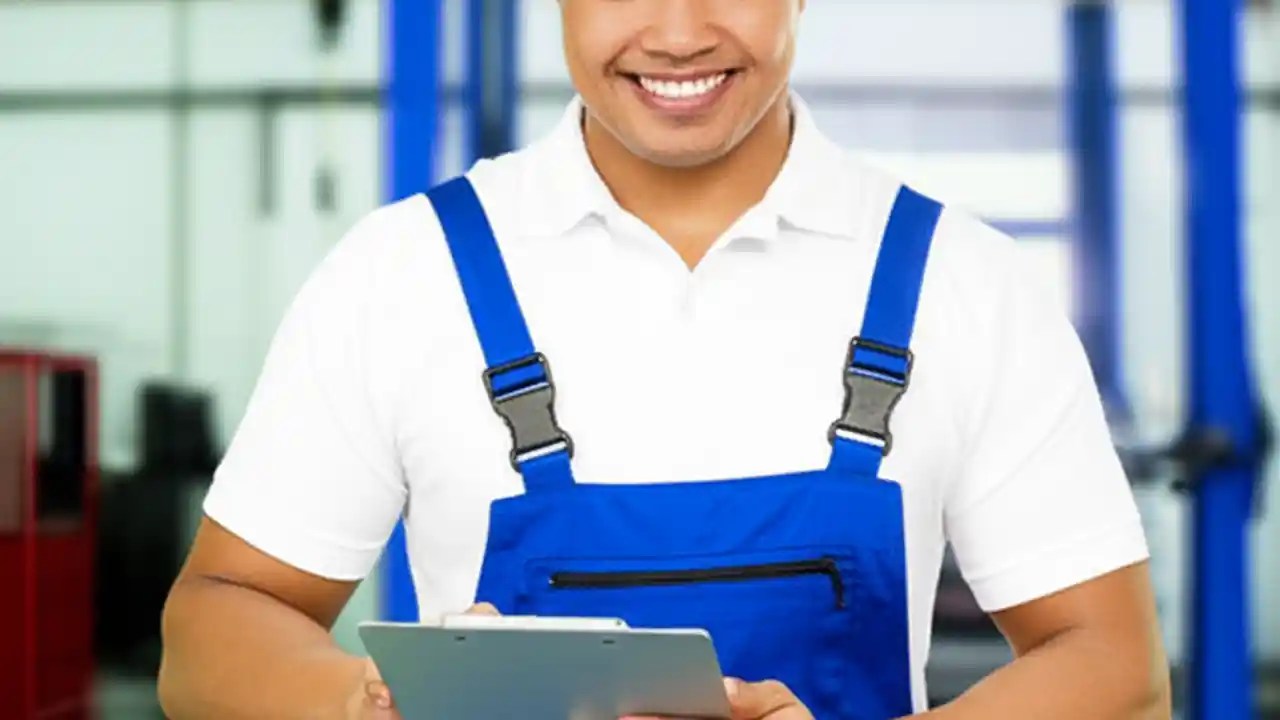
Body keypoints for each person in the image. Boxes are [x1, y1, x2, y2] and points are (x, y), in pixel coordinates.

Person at [157, 1, 1172, 718]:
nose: (678, 30)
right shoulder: (399, 273)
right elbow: (216, 624)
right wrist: (357, 706)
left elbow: (1114, 670)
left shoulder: (965, 280)